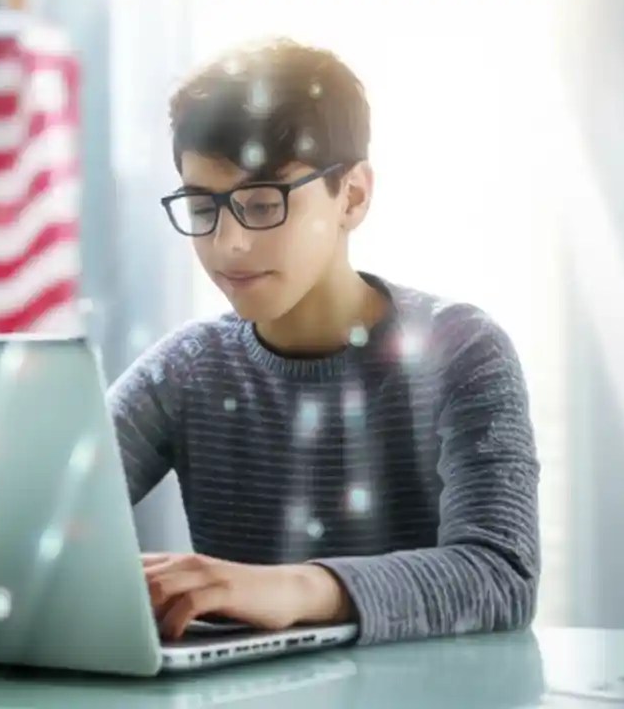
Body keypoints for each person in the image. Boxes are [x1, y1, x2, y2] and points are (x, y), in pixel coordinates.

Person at [107, 37, 540, 645]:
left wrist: (286, 589)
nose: (228, 244)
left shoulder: (462, 351)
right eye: (202, 206)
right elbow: (37, 514)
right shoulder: (185, 370)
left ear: (353, 196)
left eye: (262, 204)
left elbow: (501, 574)